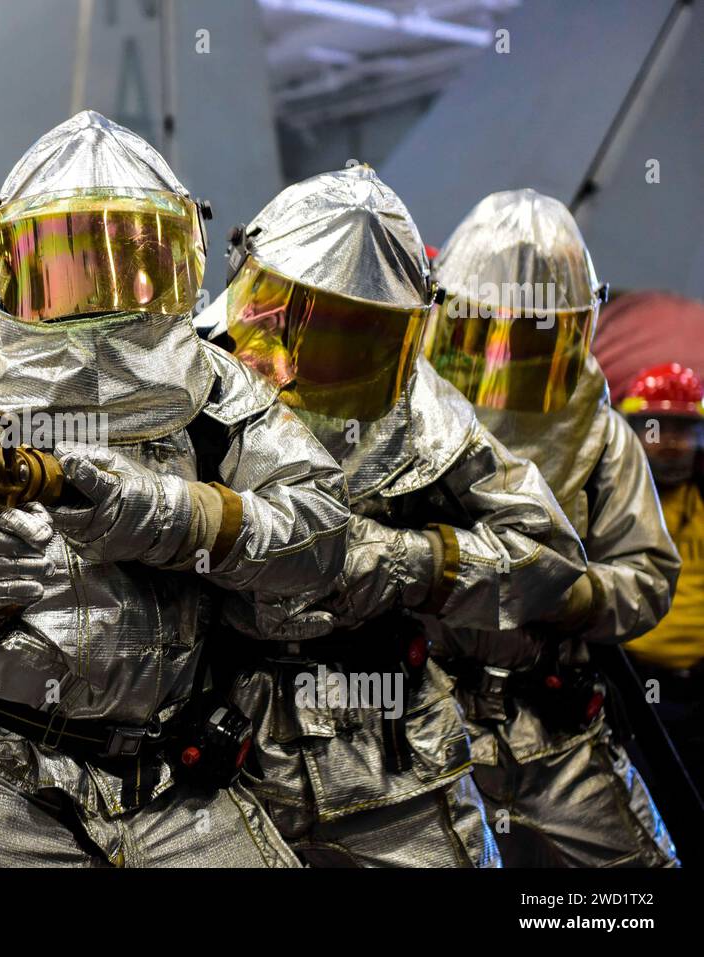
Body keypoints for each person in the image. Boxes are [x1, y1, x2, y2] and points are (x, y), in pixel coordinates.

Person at [0, 110, 352, 867]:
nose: (103, 294)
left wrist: (175, 518)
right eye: (71, 264)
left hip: (168, 778)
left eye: (130, 260)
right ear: (6, 265)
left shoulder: (213, 393)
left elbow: (323, 534)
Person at [201, 166, 586, 866]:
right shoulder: (189, 372)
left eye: (354, 331)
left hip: (392, 751)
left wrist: (405, 561)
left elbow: (549, 554)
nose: (302, 354)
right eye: (286, 314)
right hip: (213, 751)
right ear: (248, 284)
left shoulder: (425, 412)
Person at [425, 189, 679, 866]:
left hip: (553, 721)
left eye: (532, 338)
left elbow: (650, 574)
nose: (505, 358)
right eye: (486, 333)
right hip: (420, 724)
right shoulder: (408, 422)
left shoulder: (602, 440)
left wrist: (572, 597)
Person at [617, 360, 704, 786]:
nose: (670, 442)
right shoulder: (609, 507)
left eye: (682, 429)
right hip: (634, 687)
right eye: (656, 428)